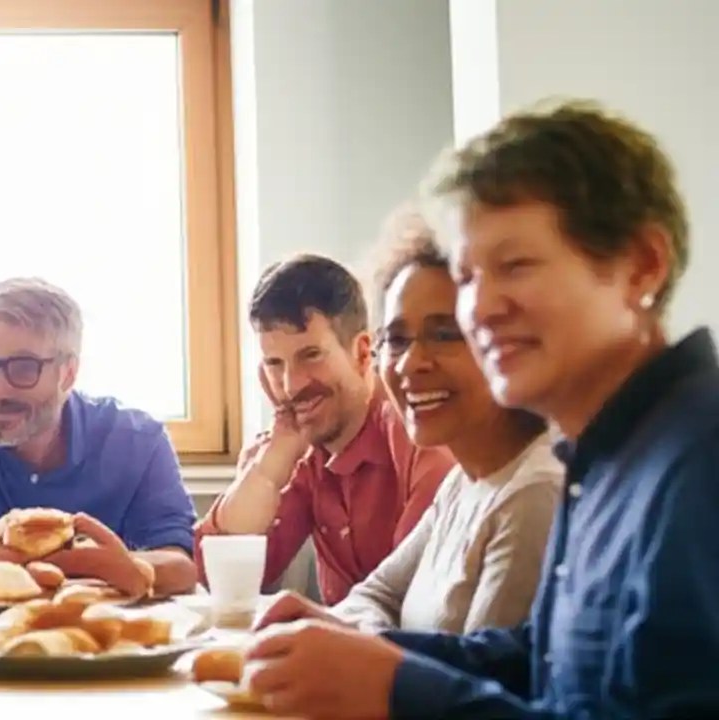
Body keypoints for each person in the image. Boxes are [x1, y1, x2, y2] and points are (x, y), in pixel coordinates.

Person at [240, 101, 719, 719]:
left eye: (515, 266)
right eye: (468, 277)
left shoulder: (698, 458)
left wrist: (396, 689)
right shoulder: (604, 458)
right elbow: (540, 661)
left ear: (642, 265)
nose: (481, 308)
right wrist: (361, 649)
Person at [258, 207, 562, 636]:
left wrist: (348, 642)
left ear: (502, 342)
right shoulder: (465, 483)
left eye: (444, 334)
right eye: (397, 339)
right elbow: (375, 594)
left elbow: (477, 680)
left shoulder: (532, 494)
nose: (411, 363)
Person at [0, 278, 198, 597]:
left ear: (68, 375)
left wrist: (110, 565)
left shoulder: (138, 440)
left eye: (23, 369)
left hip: (103, 635)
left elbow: (181, 566)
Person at [194, 255, 454, 604]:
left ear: (362, 353)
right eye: (274, 363)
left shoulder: (419, 434)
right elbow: (214, 579)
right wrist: (269, 469)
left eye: (310, 355)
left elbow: (413, 600)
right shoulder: (294, 447)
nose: (291, 384)